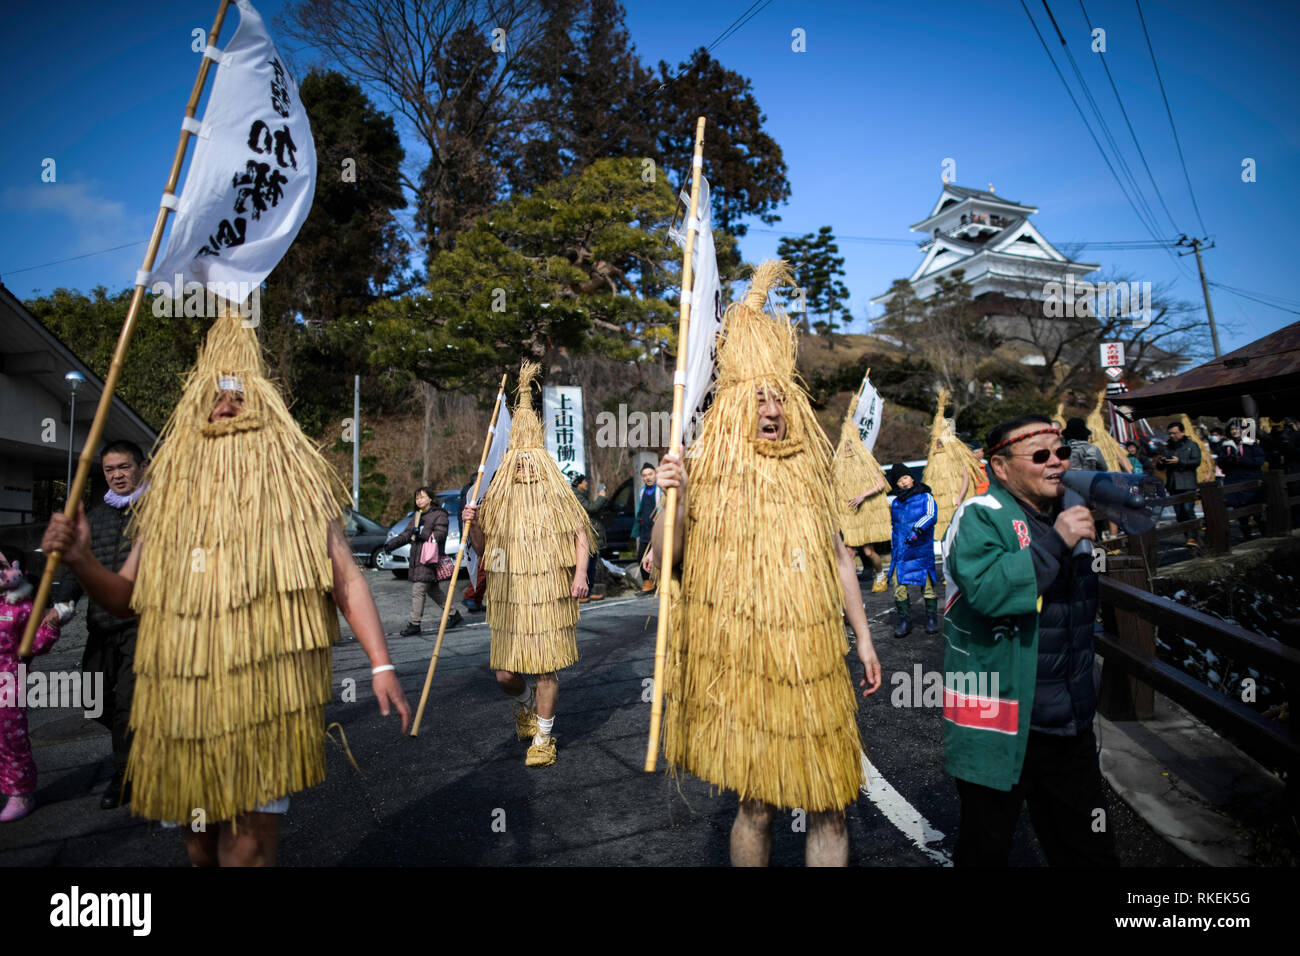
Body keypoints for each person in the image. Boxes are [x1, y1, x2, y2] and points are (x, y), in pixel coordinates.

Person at [41, 315, 410, 866]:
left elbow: (346, 579)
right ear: (197, 410)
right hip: (181, 697)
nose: (227, 406)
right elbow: (122, 596)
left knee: (249, 852)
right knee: (202, 848)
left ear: (261, 404)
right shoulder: (165, 498)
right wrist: (82, 560)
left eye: (238, 396)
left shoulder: (299, 489)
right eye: (215, 398)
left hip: (268, 695)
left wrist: (381, 666)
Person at [651, 261, 882, 867]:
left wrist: (862, 638)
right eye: (759, 399)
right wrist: (669, 499)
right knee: (756, 804)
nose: (772, 410)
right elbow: (664, 560)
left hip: (815, 660)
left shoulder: (811, 468)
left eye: (779, 398)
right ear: (733, 407)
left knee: (831, 800)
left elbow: (838, 556)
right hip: (745, 661)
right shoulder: (702, 468)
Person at [941, 413, 1118, 867]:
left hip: (1068, 720)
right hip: (997, 716)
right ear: (1000, 467)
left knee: (1088, 848)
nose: (1056, 463)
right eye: (1040, 456)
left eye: (1061, 452)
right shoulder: (981, 515)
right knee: (986, 846)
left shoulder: (1067, 513)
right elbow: (988, 592)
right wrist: (1056, 542)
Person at [462, 361, 594, 769]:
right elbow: (484, 549)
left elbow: (580, 533)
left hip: (549, 593)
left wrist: (580, 574)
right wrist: (471, 527)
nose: (521, 466)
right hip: (509, 595)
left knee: (545, 671)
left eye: (526, 460)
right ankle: (524, 707)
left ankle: (543, 737)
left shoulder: (558, 492)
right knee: (505, 674)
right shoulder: (497, 497)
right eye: (515, 460)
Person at [50, 439, 147, 809]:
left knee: (126, 702)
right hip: (100, 626)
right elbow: (77, 567)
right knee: (94, 701)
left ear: (140, 467)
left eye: (124, 467)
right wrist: (63, 604)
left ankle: (125, 778)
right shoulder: (94, 516)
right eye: (110, 470)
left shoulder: (159, 513)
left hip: (141, 625)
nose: (117, 475)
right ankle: (144, 742)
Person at [0, 551, 61, 822]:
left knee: (11, 740)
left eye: (2, 566)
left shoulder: (21, 607)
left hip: (9, 682)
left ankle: (20, 792)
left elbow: (35, 645)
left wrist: (51, 626)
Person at [384, 487, 461, 635]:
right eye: (417, 498)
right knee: (433, 590)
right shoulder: (417, 516)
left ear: (430, 499)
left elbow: (440, 535)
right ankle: (453, 614)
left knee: (418, 590)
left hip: (429, 558)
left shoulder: (440, 514)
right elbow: (407, 534)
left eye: (422, 497)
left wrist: (421, 532)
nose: (419, 501)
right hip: (417, 557)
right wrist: (391, 544)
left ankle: (414, 624)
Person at [886, 463, 939, 637]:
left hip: (920, 550)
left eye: (905, 478)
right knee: (898, 586)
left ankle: (931, 619)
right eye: (899, 481)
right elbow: (895, 527)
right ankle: (904, 621)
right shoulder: (895, 503)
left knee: (927, 586)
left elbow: (931, 516)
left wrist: (916, 530)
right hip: (901, 552)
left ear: (912, 478)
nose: (903, 482)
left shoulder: (926, 497)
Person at [1218, 420, 1266, 539]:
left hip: (1250, 479)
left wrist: (1245, 461)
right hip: (1234, 480)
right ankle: (1247, 536)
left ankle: (1265, 534)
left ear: (1244, 430)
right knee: (1239, 510)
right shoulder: (1226, 446)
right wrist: (1227, 460)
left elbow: (1260, 460)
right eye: (1232, 429)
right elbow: (1220, 463)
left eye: (1237, 428)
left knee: (1256, 510)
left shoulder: (1251, 443)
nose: (1234, 431)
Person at [1160, 421, 1202, 546]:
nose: (1172, 436)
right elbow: (1160, 467)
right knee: (1179, 513)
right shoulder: (1167, 447)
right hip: (1173, 484)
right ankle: (1188, 536)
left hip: (1188, 483)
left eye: (1175, 433)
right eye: (1170, 433)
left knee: (1188, 509)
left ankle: (1193, 537)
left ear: (1182, 432)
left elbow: (1196, 462)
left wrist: (1180, 461)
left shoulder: (1192, 445)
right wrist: (1161, 462)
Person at [572, 474, 608, 602]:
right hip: (586, 534)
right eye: (584, 481)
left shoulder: (581, 494)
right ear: (578, 483)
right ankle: (583, 592)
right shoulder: (576, 495)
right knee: (585, 564)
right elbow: (591, 507)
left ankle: (589, 590)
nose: (586, 483)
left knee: (592, 563)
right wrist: (601, 497)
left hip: (590, 534)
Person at [632, 463, 661, 592]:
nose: (648, 477)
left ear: (655, 474)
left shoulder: (660, 490)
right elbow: (640, 510)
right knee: (641, 558)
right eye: (645, 475)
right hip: (645, 530)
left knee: (660, 557)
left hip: (658, 530)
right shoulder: (642, 491)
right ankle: (648, 584)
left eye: (650, 474)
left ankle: (662, 583)